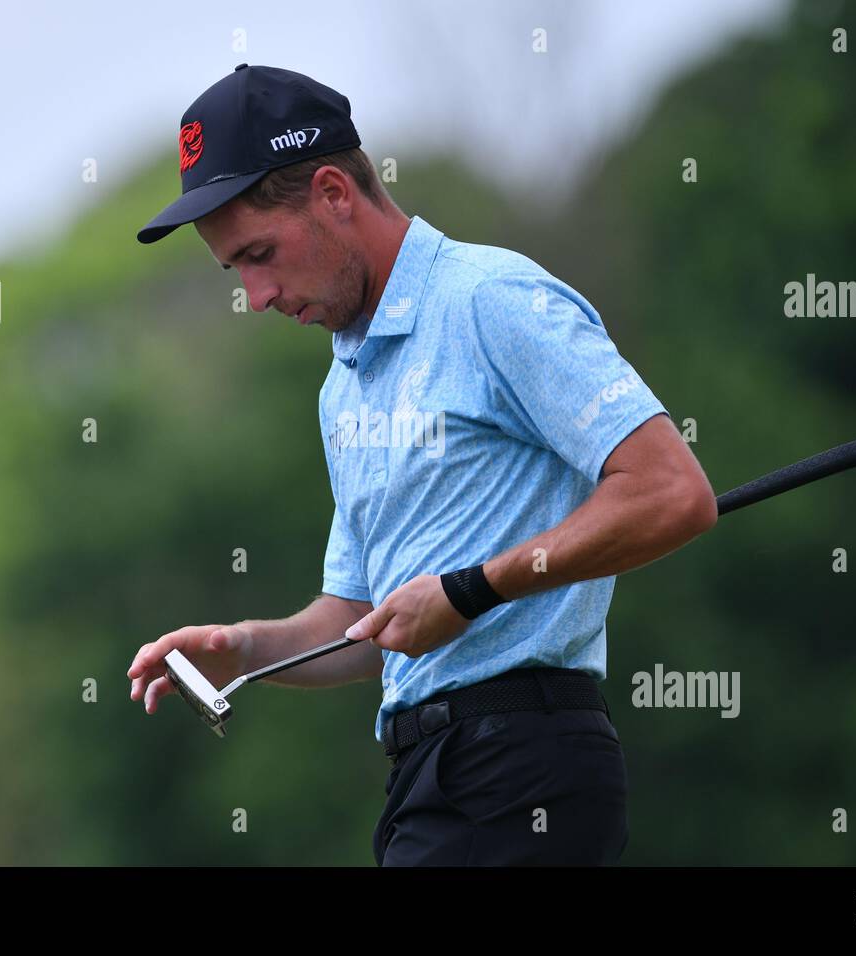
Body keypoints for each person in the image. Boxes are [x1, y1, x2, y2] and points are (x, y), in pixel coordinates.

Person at [125, 64, 718, 866]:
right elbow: (363, 626)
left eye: (261, 253)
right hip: (427, 778)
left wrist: (472, 590)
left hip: (525, 763)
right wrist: (248, 649)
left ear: (334, 191)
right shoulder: (345, 386)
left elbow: (671, 491)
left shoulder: (491, 300)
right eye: (237, 269)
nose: (256, 295)